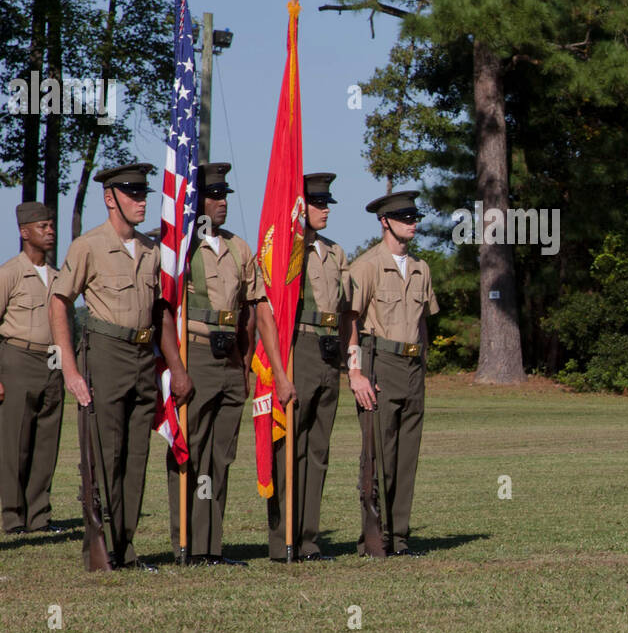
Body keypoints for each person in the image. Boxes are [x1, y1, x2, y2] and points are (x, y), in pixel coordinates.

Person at [49, 163, 192, 571]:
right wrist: (70, 370)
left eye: (143, 193)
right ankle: (100, 546)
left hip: (142, 358)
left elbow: (161, 311)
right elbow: (59, 302)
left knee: (135, 456)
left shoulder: (151, 250)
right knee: (105, 455)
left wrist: (177, 367)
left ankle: (126, 549)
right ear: (110, 198)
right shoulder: (88, 245)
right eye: (131, 193)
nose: (141, 200)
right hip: (105, 352)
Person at [170, 162, 293, 566]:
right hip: (195, 353)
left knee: (220, 455)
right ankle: (184, 540)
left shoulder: (239, 249)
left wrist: (273, 369)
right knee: (190, 447)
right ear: (196, 201)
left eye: (224, 196)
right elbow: (164, 309)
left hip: (230, 359)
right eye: (214, 196)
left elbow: (259, 310)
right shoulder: (181, 249)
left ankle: (210, 544)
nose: (221, 203)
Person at [343, 191, 439, 557]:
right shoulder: (367, 266)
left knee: (406, 459)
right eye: (403, 216)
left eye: (415, 215)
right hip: (379, 362)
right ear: (384, 222)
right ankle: (374, 539)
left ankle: (399, 539)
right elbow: (350, 321)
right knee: (377, 456)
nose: (412, 222)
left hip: (413, 367)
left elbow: (423, 324)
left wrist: (423, 366)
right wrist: (355, 372)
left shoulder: (421, 268)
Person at [269, 172, 348, 562]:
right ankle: (283, 537)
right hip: (298, 346)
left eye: (327, 202)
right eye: (318, 203)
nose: (325, 209)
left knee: (318, 448)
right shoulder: (287, 250)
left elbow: (346, 308)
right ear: (301, 207)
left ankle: (309, 539)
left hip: (329, 352)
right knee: (289, 444)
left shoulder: (336, 253)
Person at [0, 202, 65, 535]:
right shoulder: (6, 274)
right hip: (18, 358)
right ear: (24, 232)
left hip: (52, 361)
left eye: (51, 226)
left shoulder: (59, 277)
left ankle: (39, 515)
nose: (50, 231)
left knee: (46, 441)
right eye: (42, 227)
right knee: (15, 443)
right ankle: (13, 516)